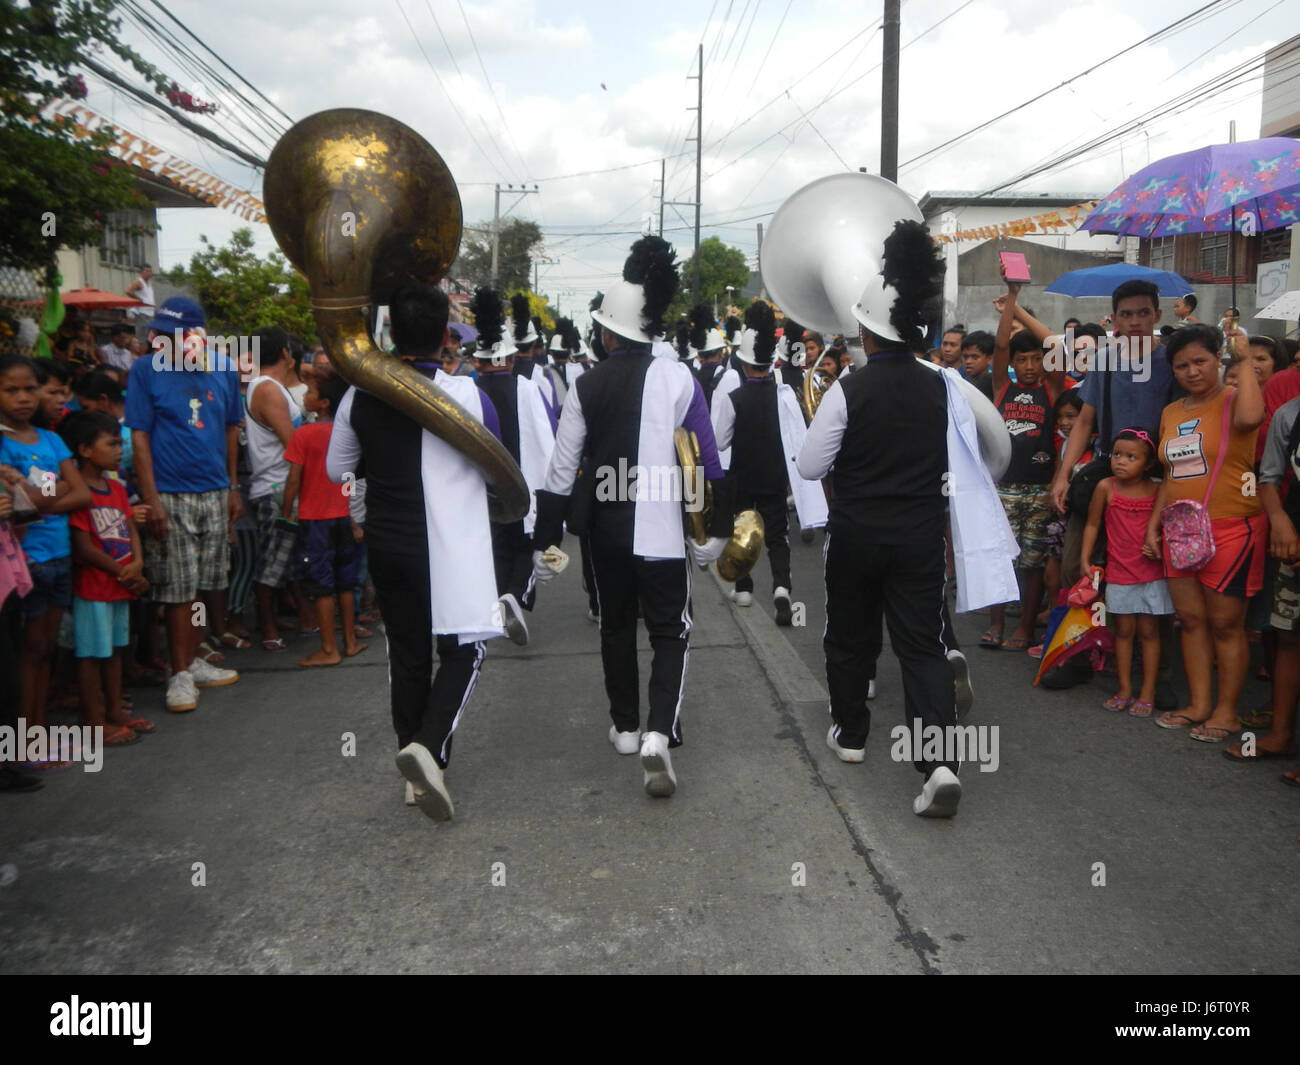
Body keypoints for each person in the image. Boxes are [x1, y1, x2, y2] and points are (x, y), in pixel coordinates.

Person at [796, 217, 1009, 819]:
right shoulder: (947, 387)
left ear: (866, 330)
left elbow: (811, 467)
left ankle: (853, 736)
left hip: (858, 532)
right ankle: (938, 763)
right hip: (919, 535)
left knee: (849, 636)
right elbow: (973, 464)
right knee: (922, 647)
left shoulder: (848, 388)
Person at [531, 236, 735, 799]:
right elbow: (707, 462)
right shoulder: (678, 377)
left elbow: (560, 470)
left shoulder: (585, 382)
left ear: (607, 331)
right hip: (664, 529)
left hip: (605, 528)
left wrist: (543, 541)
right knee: (671, 630)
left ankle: (624, 726)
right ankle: (658, 732)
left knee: (617, 626)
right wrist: (715, 531)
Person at [326, 282, 504, 822]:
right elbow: (500, 471)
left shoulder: (360, 394)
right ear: (445, 337)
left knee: (405, 652)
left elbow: (338, 472)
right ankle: (428, 749)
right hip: (450, 548)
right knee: (465, 647)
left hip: (389, 541)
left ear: (391, 334)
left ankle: (415, 764)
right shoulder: (470, 394)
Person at [1045, 280, 1174, 693]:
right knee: (1077, 566)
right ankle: (1080, 653)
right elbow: (1084, 420)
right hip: (1106, 470)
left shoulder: (1174, 360)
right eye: (1126, 314)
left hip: (1159, 477)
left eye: (1143, 312)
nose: (1135, 321)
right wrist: (1064, 475)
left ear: (1156, 315)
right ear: (1114, 319)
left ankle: (1161, 673)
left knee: (1159, 571)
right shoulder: (1103, 359)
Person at [1146, 324, 1265, 742]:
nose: (1192, 371)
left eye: (1201, 361)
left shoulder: (1235, 400)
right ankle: (1197, 704)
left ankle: (1227, 712)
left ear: (1218, 359)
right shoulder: (1172, 412)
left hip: (1233, 528)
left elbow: (1253, 418)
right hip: (1182, 531)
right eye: (1182, 365)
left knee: (1226, 625)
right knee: (1192, 620)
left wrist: (1245, 358)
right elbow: (1170, 474)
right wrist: (1153, 524)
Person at [124, 297, 242, 712]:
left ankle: (191, 660)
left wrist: (231, 486)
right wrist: (151, 497)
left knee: (201, 586)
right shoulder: (145, 370)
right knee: (176, 589)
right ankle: (178, 674)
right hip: (170, 494)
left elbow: (231, 430)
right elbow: (139, 435)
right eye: (162, 334)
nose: (165, 341)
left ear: (196, 335)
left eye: (176, 335)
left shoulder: (222, 369)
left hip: (213, 491)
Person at [711, 300, 827, 624]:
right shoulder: (785, 395)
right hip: (775, 475)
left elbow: (720, 441)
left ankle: (745, 588)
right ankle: (782, 588)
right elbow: (795, 436)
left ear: (745, 364)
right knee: (777, 535)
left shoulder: (735, 398)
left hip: (743, 475)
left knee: (744, 530)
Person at [0, 355, 92, 758]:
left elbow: (81, 492)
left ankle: (36, 734)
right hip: (22, 560)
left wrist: (34, 502)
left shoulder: (51, 439)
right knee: (26, 653)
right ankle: (21, 743)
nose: (23, 398)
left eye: (29, 389)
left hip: (58, 552)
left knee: (44, 650)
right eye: (11, 390)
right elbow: (23, 501)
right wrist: (48, 498)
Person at [469, 287, 555, 646]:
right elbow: (546, 440)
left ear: (478, 361)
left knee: (496, 550)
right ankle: (514, 598)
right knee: (529, 551)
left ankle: (500, 604)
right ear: (509, 358)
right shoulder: (526, 387)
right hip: (523, 489)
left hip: (481, 493)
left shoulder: (467, 390)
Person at [984, 274, 1065, 652]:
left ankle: (1026, 627)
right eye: (1022, 360)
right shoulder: (1004, 386)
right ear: (1013, 363)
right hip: (1003, 487)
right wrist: (1011, 299)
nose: (1030, 365)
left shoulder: (1052, 389)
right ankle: (997, 623)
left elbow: (1055, 344)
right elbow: (1000, 344)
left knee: (1032, 565)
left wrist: (1017, 303)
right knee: (1000, 558)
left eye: (1036, 359)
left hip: (1039, 489)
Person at [61, 411, 152, 745]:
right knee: (91, 655)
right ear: (85, 449)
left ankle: (115, 710)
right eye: (111, 443)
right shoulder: (79, 492)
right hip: (96, 586)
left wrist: (138, 563)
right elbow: (83, 547)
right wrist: (124, 572)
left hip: (120, 584)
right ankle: (93, 720)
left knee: (114, 651)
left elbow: (131, 529)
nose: (119, 449)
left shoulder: (116, 487)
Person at [1079, 428, 1171, 717]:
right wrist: (1084, 558)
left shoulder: (1158, 489)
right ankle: (1124, 688)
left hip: (1152, 573)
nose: (1121, 461)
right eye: (1117, 454)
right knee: (1123, 632)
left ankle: (1147, 691)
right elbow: (1093, 524)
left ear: (1148, 464)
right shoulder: (1106, 487)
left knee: (1149, 632)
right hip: (1118, 571)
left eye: (1132, 457)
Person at [282, 366, 364, 668]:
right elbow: (351, 478)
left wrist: (285, 511)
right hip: (342, 516)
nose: (306, 396)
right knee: (345, 582)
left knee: (322, 586)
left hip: (314, 520)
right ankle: (350, 642)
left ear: (324, 403)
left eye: (312, 393)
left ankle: (328, 648)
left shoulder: (304, 435)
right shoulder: (348, 433)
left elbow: (293, 480)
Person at [245, 326, 305, 651]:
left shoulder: (268, 386)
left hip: (279, 484)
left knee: (285, 559)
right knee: (273, 561)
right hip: (276, 487)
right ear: (286, 354)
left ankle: (281, 618)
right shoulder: (268, 389)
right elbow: (293, 445)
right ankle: (267, 628)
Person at [959, 330, 994, 400]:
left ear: (990, 359)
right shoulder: (963, 380)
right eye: (965, 357)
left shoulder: (990, 383)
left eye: (975, 357)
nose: (968, 361)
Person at [125, 265, 155, 340]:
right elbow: (128, 291)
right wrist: (139, 300)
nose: (149, 273)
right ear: (141, 272)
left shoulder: (149, 283)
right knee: (142, 336)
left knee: (150, 336)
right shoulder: (138, 282)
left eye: (150, 271)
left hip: (150, 312)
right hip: (142, 312)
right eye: (147, 271)